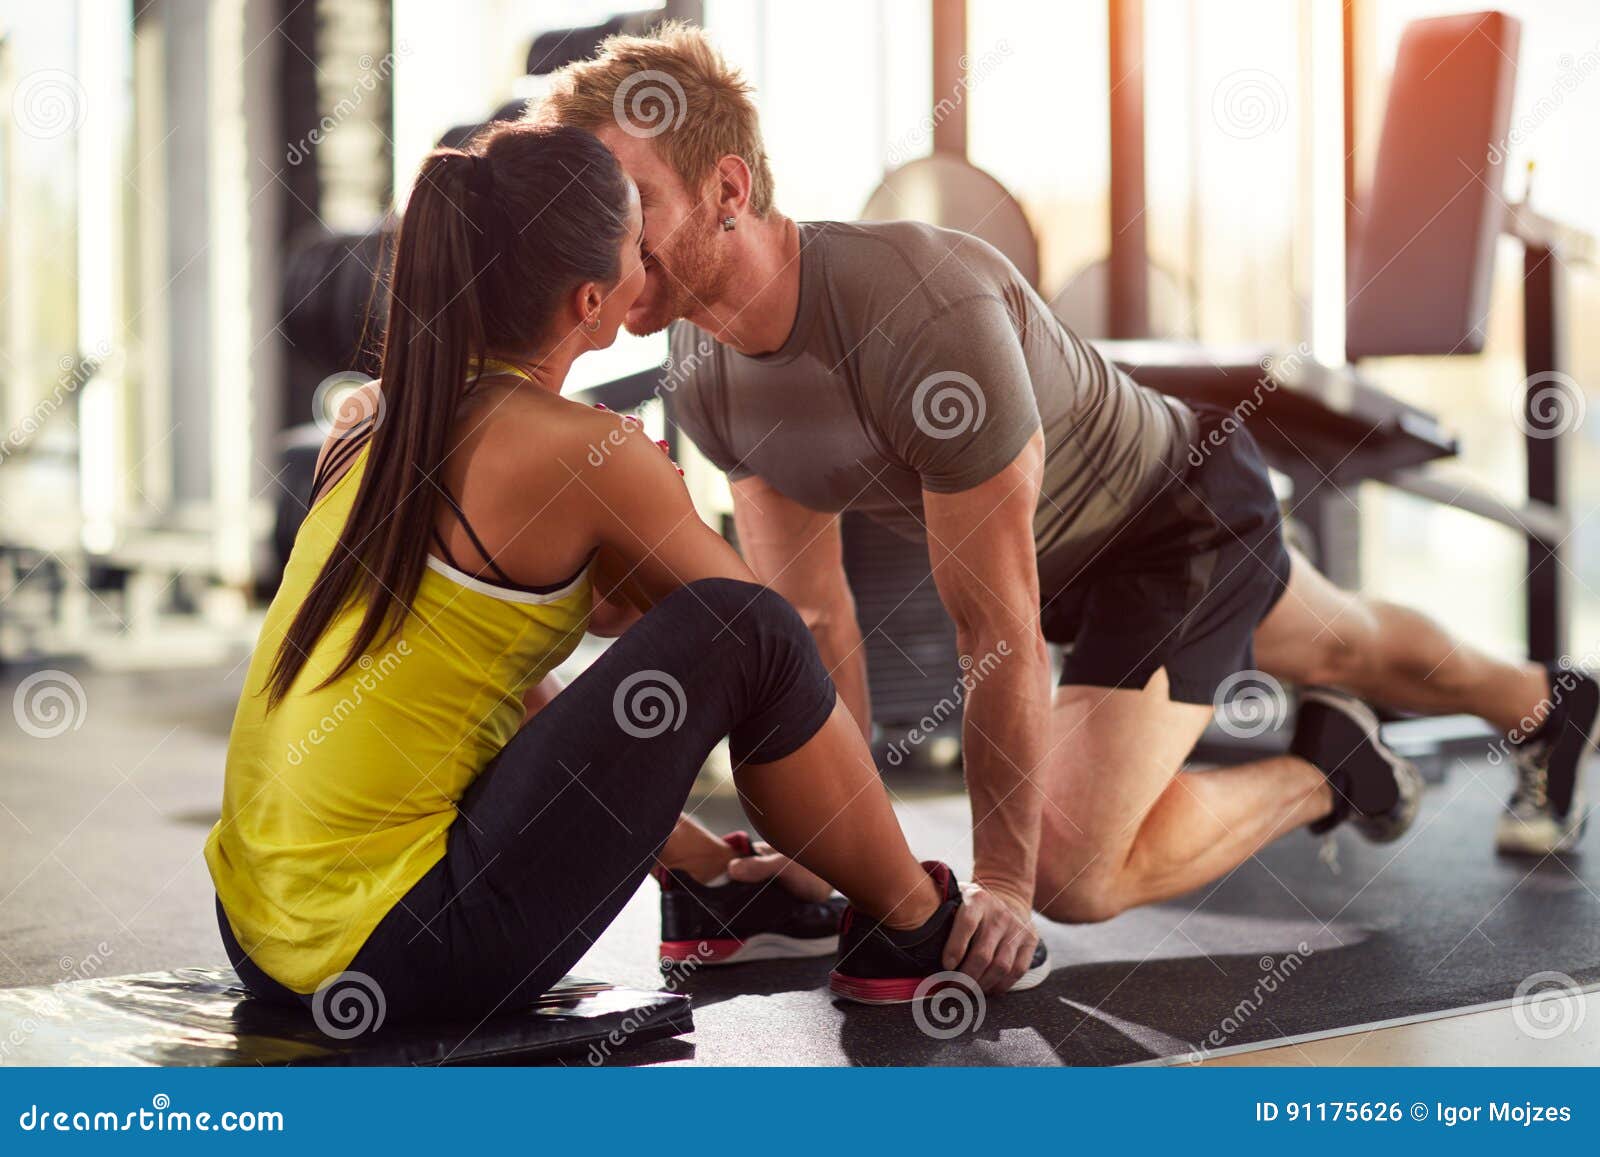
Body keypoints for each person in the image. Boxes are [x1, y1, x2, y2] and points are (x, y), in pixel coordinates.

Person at [536, 22, 1597, 983]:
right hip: (1066, 562)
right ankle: (1545, 707)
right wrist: (841, 851)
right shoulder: (704, 365)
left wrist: (1000, 879)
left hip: (1174, 520)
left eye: (631, 206)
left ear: (727, 188)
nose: (603, 240)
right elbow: (814, 615)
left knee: (1066, 870)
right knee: (1349, 640)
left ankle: (1327, 766)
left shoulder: (917, 309)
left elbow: (989, 624)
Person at [203, 121, 1049, 1027]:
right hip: (404, 950)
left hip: (261, 935)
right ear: (592, 303)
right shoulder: (591, 452)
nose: (652, 261)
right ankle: (918, 926)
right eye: (635, 249)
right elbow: (760, 650)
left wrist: (694, 852)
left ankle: (713, 887)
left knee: (574, 667)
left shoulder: (374, 422)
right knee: (751, 631)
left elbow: (493, 686)